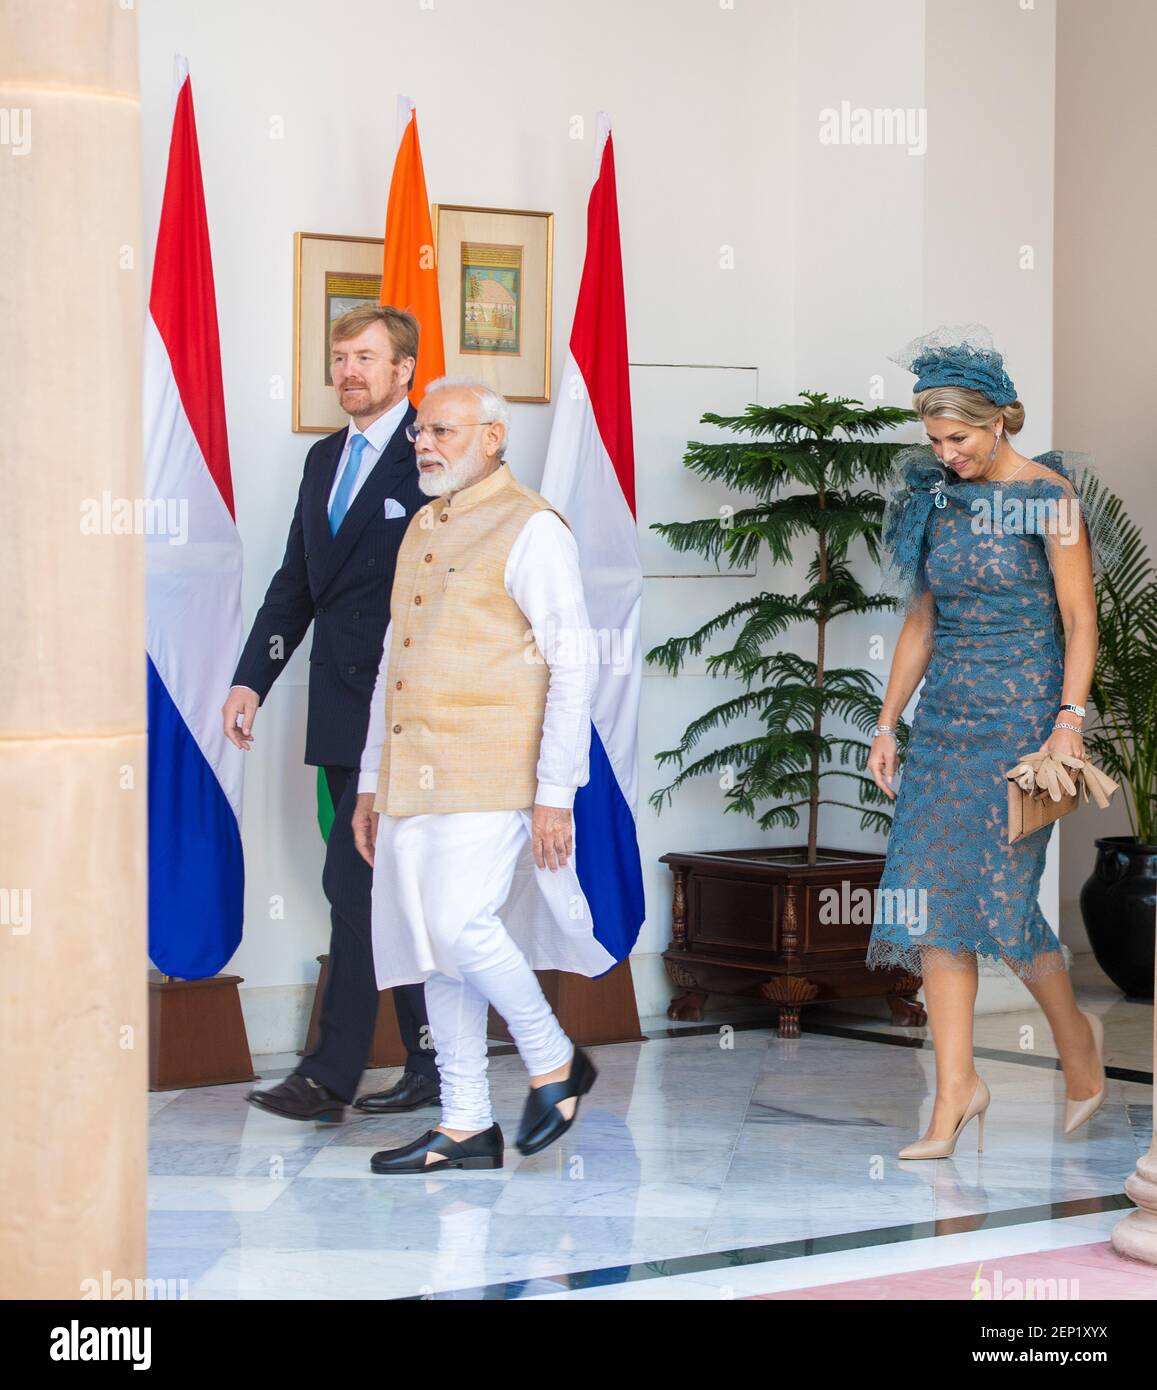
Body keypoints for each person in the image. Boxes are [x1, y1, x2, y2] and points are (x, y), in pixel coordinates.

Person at [865, 323, 1119, 1159]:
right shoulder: (935, 500)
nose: (946, 454)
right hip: (944, 726)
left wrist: (1068, 725)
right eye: (934, 440)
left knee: (1003, 909)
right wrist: (886, 721)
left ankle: (1075, 1039)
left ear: (997, 420)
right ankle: (954, 1093)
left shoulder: (1048, 498)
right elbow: (921, 619)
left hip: (1023, 731)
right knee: (934, 907)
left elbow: (1080, 622)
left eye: (959, 437)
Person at [352, 376, 619, 1173]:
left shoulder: (532, 528)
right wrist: (371, 778)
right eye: (418, 433)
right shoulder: (423, 526)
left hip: (492, 772)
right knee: (435, 944)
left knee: (463, 923)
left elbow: (575, 667)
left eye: (442, 430)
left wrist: (553, 794)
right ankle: (466, 1122)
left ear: (493, 437)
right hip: (410, 777)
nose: (424, 444)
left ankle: (553, 1058)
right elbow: (389, 665)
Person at [223, 305, 439, 1124]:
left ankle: (328, 1075)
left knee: (352, 880)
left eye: (366, 358)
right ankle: (430, 1058)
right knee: (383, 888)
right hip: (344, 718)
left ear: (403, 371)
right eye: (340, 357)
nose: (348, 371)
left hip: (411, 718)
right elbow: (296, 585)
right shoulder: (322, 460)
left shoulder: (436, 449)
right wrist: (253, 679)